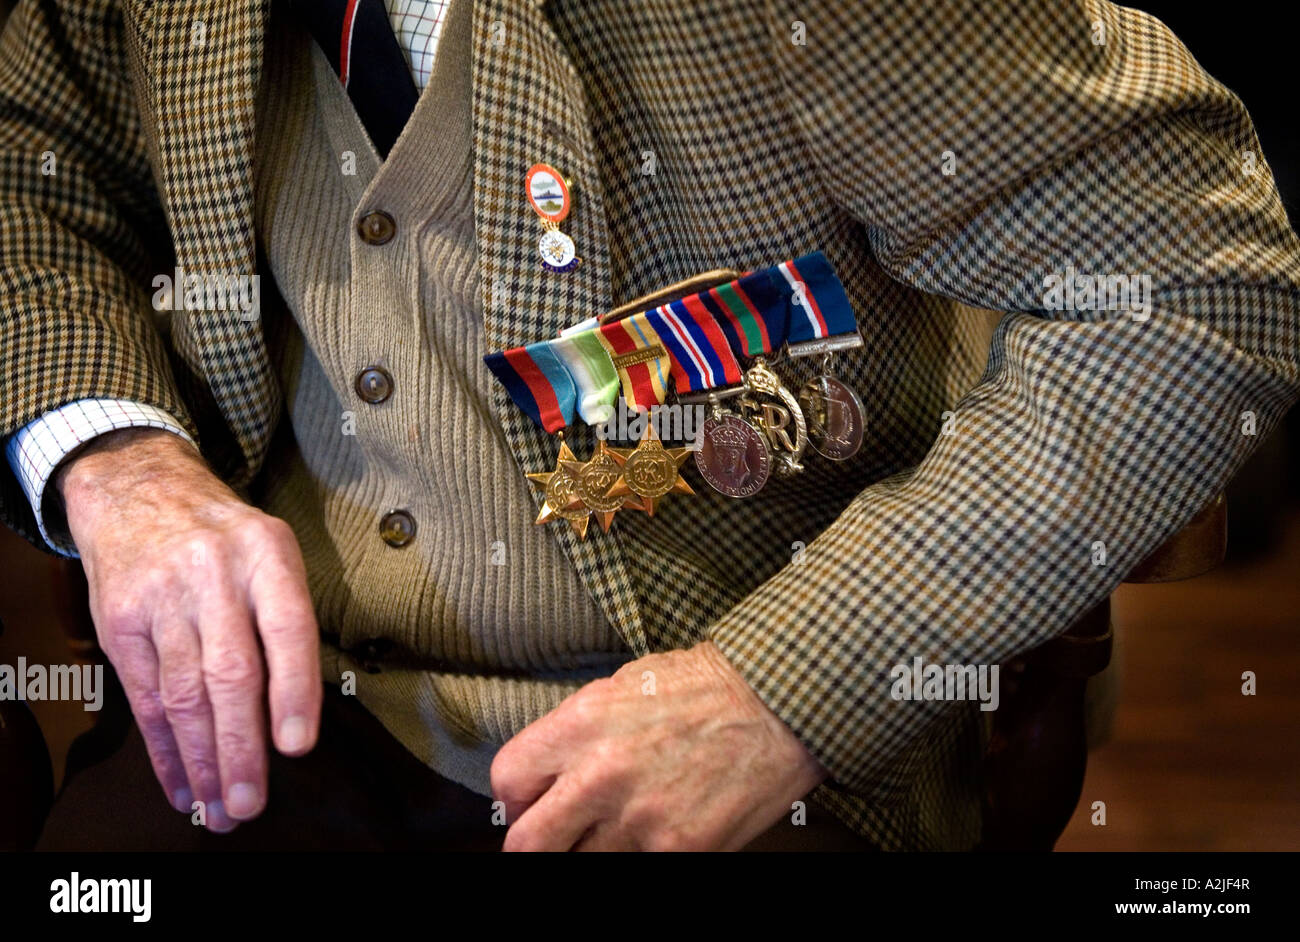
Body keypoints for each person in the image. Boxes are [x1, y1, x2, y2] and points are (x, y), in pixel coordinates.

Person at [2, 0, 1296, 851]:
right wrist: (115, 455)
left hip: (721, 748)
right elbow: (31, 162)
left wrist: (796, 681)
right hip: (267, 728)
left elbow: (1203, 280)